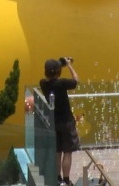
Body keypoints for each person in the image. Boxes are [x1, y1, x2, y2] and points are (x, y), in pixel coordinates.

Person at [39, 58, 80, 186]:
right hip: (66, 121)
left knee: (57, 151)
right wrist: (68, 65)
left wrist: (59, 64)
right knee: (67, 151)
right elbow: (76, 80)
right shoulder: (62, 83)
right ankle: (66, 181)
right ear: (58, 71)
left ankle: (57, 179)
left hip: (53, 122)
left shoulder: (43, 84)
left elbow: (52, 74)